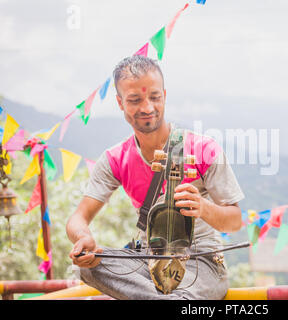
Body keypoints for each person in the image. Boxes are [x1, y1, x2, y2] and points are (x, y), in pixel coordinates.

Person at [66, 55, 245, 300]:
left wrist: (203, 208)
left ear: (164, 95)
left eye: (154, 97)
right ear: (120, 102)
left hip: (201, 263)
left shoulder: (204, 149)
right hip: (147, 262)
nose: (147, 107)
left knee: (176, 296)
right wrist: (83, 238)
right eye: (135, 100)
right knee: (86, 266)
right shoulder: (115, 158)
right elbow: (78, 218)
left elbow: (235, 221)